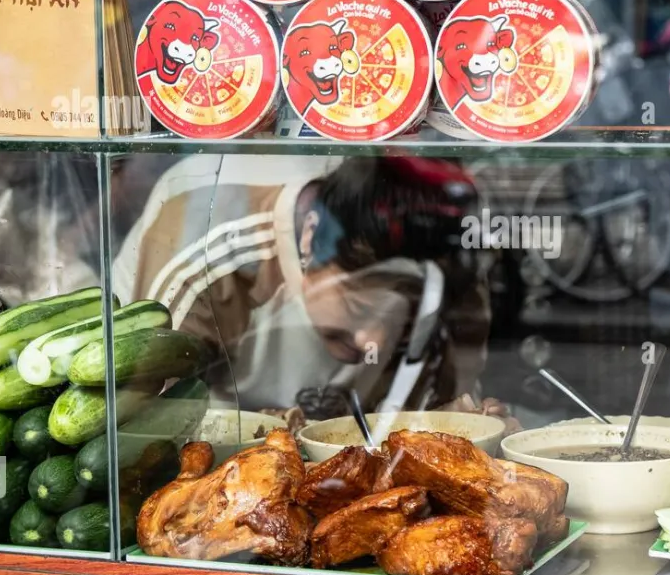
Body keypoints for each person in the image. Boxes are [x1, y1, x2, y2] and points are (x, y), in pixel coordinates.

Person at [112, 154, 520, 430]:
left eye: (404, 318)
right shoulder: (210, 245)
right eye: (359, 306)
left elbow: (429, 417)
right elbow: (150, 424)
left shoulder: (450, 270)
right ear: (310, 237)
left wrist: (457, 419)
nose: (372, 340)